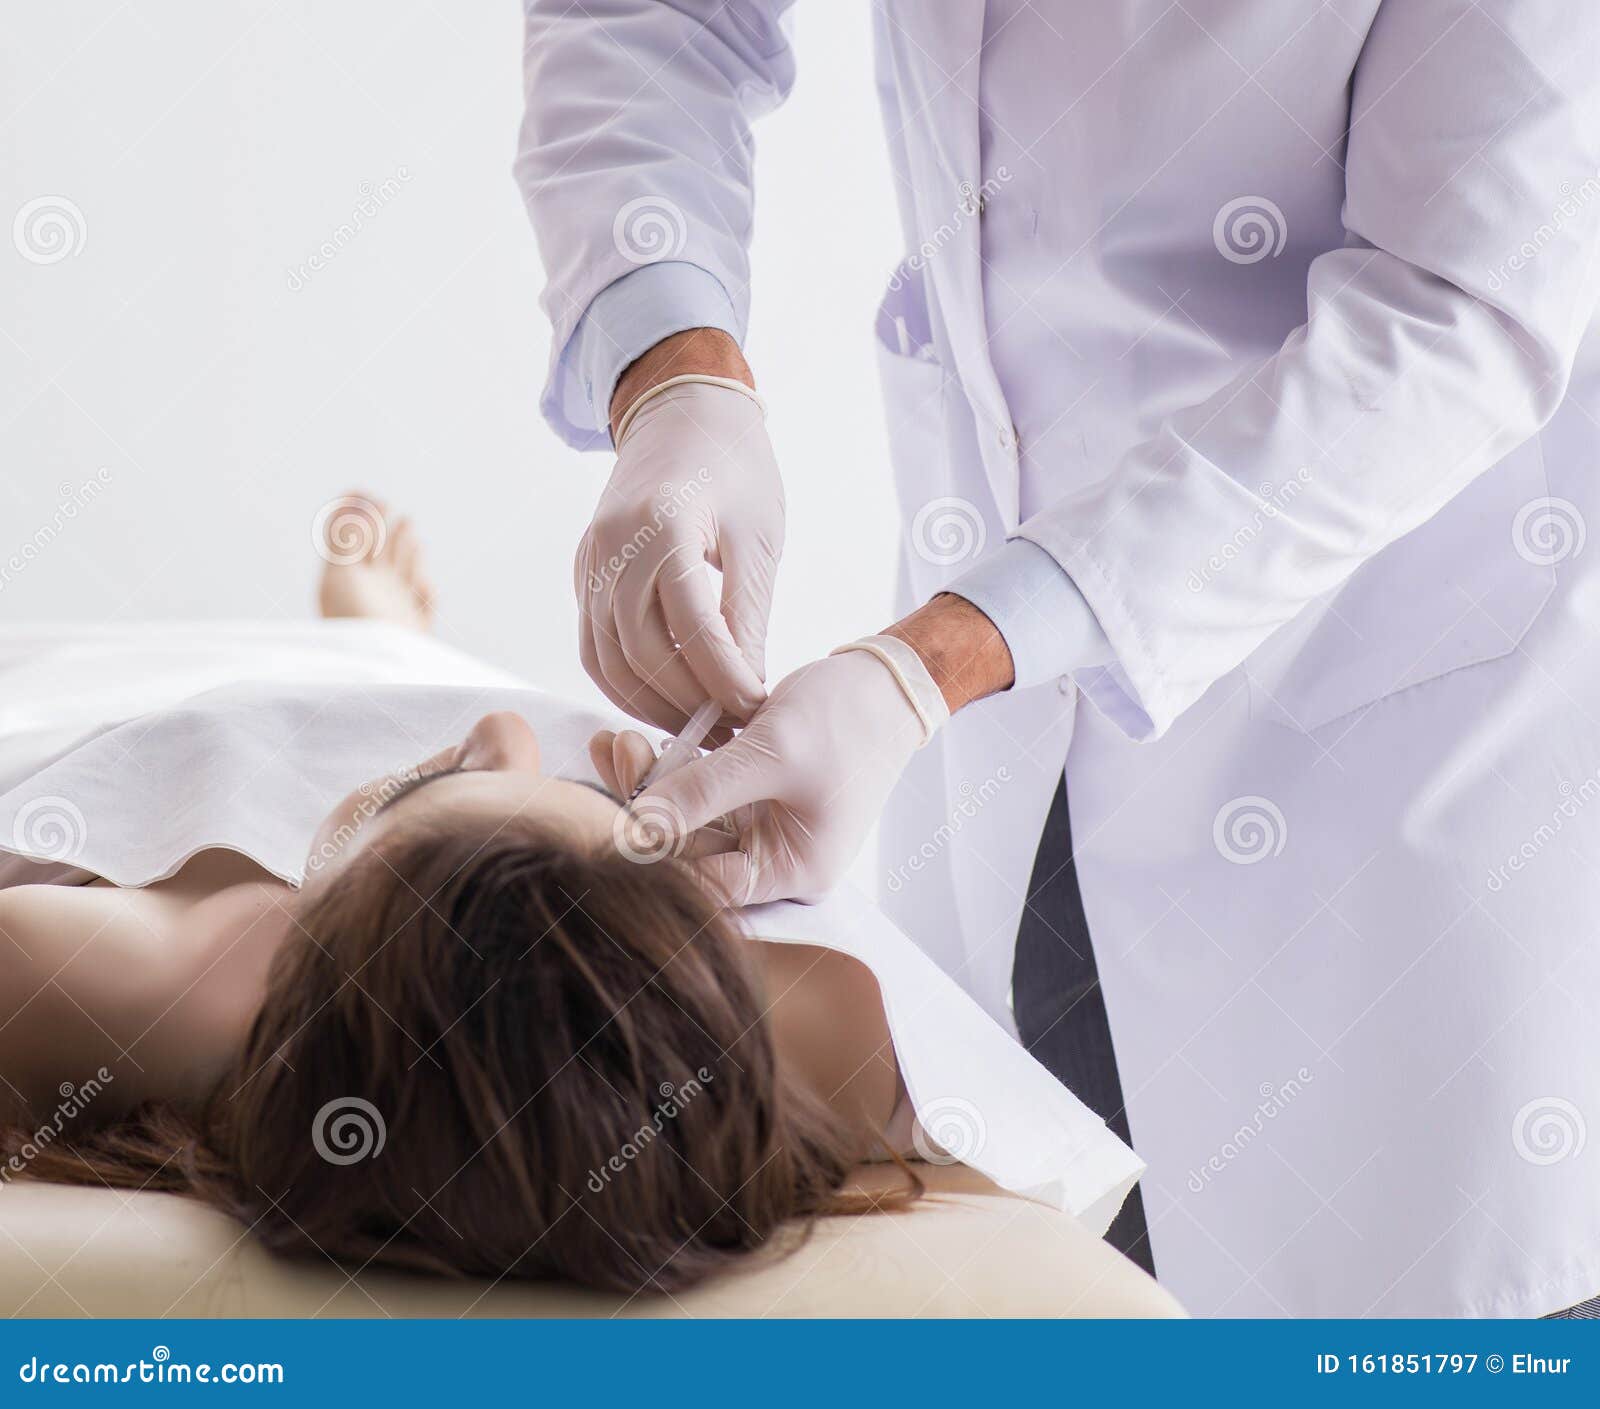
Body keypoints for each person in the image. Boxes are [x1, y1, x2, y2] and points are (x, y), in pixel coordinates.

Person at [516, 3, 1600, 1315]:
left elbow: (1462, 309)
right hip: (1002, 747)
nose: (522, 745)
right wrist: (676, 372)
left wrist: (939, 659)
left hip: (1399, 724)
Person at [0, 497, 1139, 1295]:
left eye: (435, 785)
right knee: (467, 711)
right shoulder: (822, 1031)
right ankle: (393, 653)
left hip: (222, 714)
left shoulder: (157, 974)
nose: (506, 738)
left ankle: (376, 652)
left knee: (387, 699)